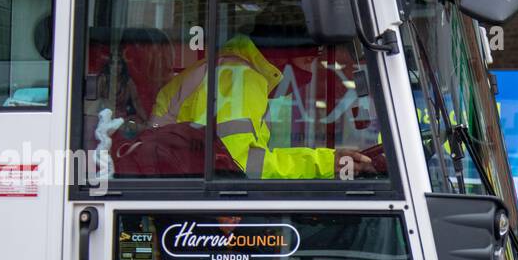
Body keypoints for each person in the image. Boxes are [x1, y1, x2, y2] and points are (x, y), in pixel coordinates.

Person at [151, 33, 373, 180]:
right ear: (283, 55)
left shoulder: (231, 69)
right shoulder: (241, 78)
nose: (311, 71)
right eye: (307, 61)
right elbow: (244, 164)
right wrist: (326, 163)